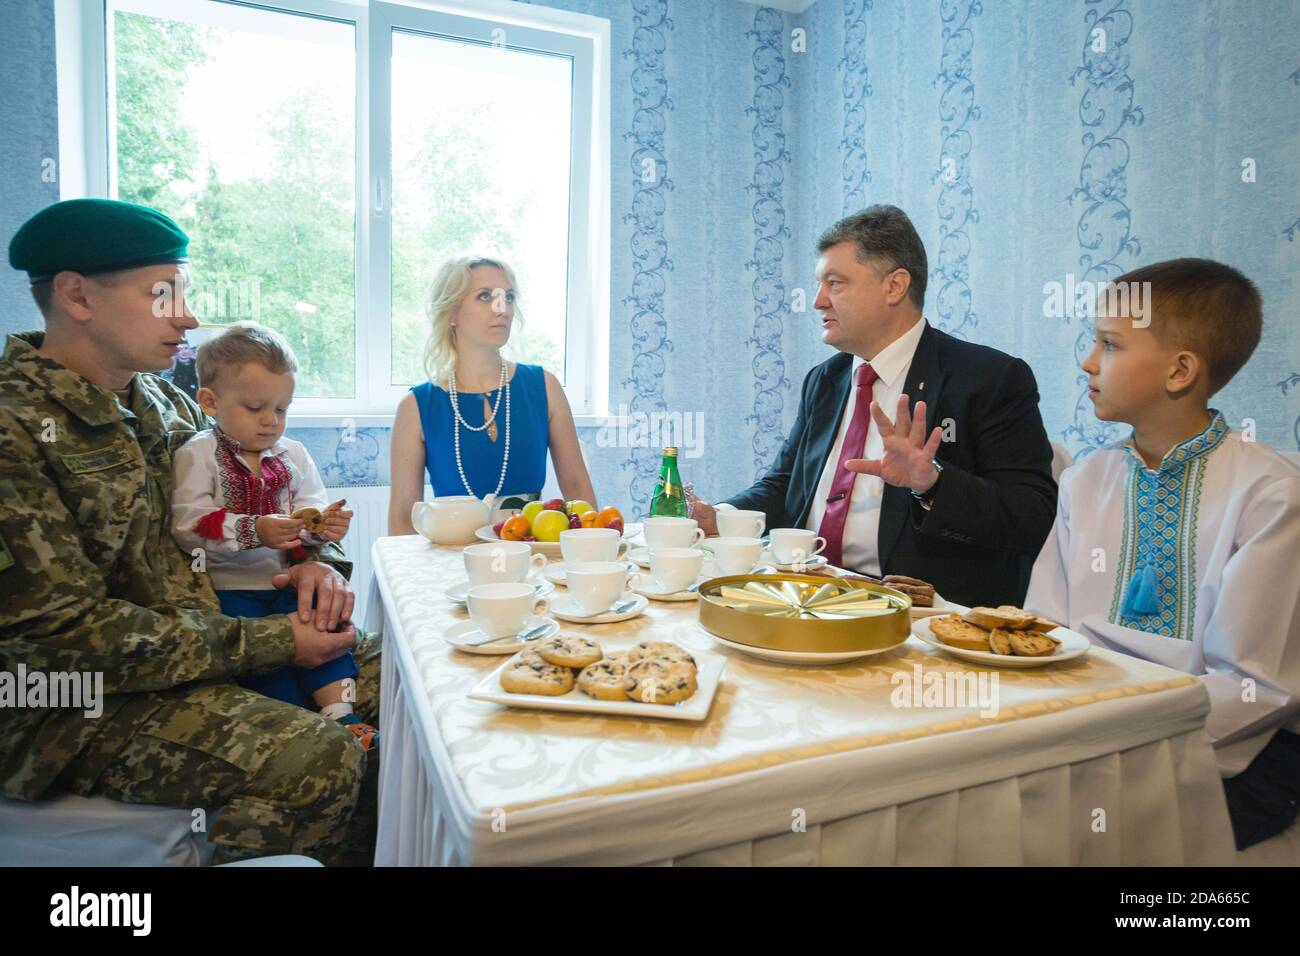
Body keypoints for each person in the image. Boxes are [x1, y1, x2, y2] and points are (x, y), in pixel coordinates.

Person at [0, 199, 379, 865]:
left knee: (412, 682)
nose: (188, 315)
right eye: (162, 294)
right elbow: (61, 635)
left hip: (212, 638)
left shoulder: (166, 401)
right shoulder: (15, 429)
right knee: (315, 753)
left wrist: (316, 562)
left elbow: (279, 493)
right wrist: (270, 643)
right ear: (76, 295)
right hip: (75, 707)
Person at [1025, 258, 1300, 851]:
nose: (1089, 362)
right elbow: (1044, 631)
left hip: (1227, 753)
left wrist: (1105, 739)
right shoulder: (1087, 480)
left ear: (1180, 371)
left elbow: (1254, 688)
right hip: (1091, 728)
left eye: (1110, 344)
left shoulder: (1270, 493)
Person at [691, 206, 1057, 607]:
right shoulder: (824, 380)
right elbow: (784, 485)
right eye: (819, 284)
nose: (817, 301)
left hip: (915, 620)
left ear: (895, 286)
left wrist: (933, 482)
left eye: (835, 283)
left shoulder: (989, 379)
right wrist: (721, 516)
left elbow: (1033, 517)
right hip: (804, 594)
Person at [169, 321, 378, 750]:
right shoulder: (197, 454)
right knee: (271, 665)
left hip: (287, 580)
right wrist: (253, 529)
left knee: (327, 625)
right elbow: (188, 524)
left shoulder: (293, 454)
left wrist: (323, 525)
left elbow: (312, 506)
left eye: (281, 409)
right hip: (230, 591)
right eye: (254, 407)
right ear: (210, 401)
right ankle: (299, 723)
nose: (270, 421)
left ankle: (343, 715)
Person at [389, 255, 595, 534]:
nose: (503, 309)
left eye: (508, 297)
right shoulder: (417, 405)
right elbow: (403, 517)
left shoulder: (544, 386)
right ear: (451, 313)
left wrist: (589, 555)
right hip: (452, 561)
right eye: (485, 296)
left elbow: (577, 487)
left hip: (531, 557)